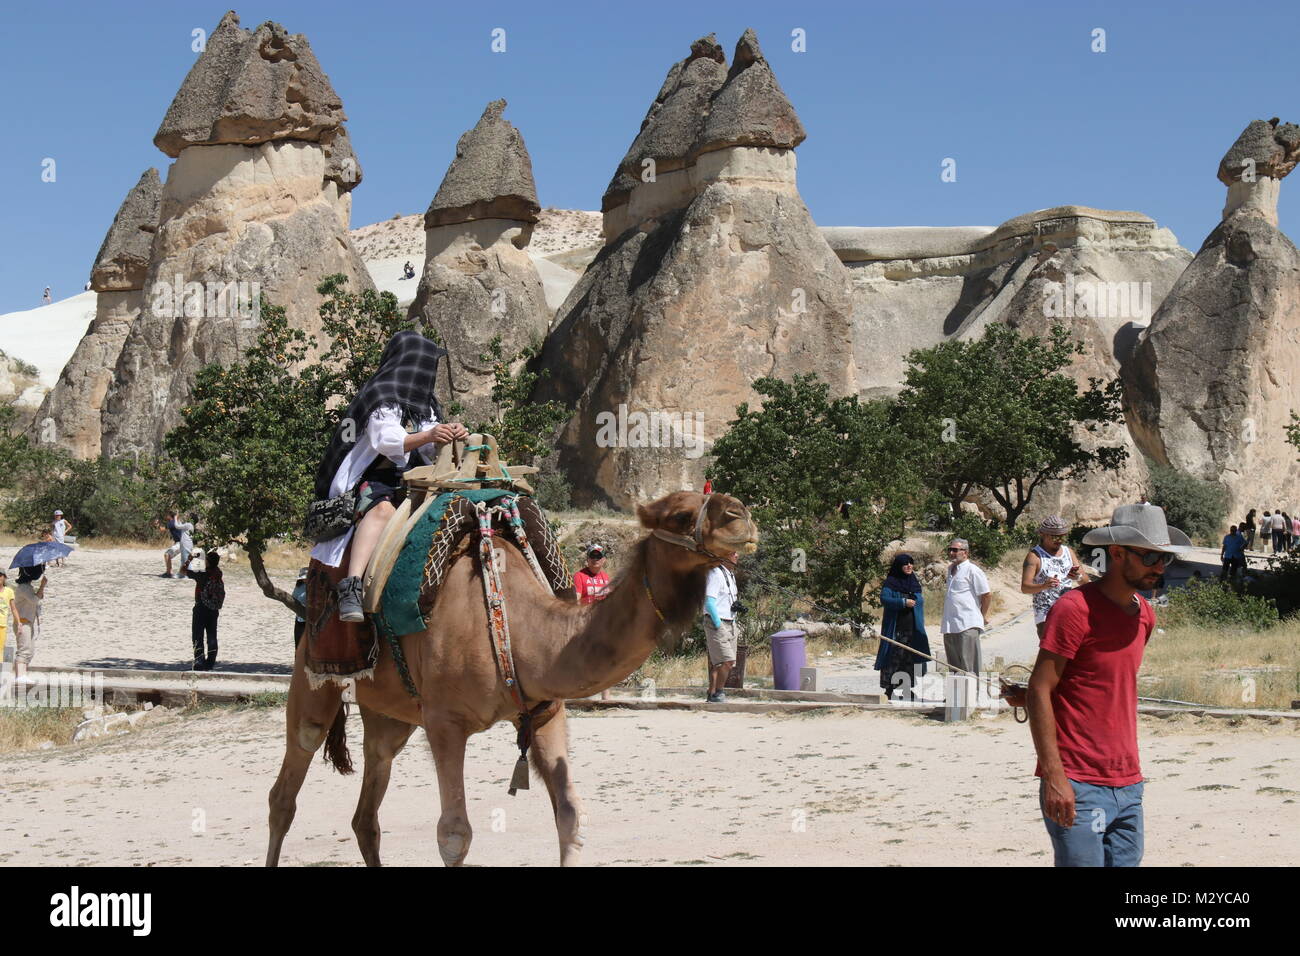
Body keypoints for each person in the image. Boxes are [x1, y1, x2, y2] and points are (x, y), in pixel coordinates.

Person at [1027, 502, 1189, 867]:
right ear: (1117, 553)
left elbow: (1099, 685)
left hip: (1130, 783)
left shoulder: (1145, 615)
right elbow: (1041, 688)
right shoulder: (1074, 609)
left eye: (1165, 559)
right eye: (1150, 557)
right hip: (1078, 782)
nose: (1159, 568)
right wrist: (1054, 776)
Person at [311, 331, 467, 622]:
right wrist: (429, 434)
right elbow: (388, 441)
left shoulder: (425, 404)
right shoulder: (379, 397)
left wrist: (450, 435)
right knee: (382, 510)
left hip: (414, 479)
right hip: (372, 480)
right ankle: (352, 586)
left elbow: (430, 446)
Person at [941, 537, 990, 718]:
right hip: (950, 622)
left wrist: (982, 616)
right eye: (950, 549)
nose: (952, 553)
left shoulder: (972, 570)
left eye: (956, 550)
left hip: (968, 621)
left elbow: (986, 594)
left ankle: (972, 698)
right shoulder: (950, 570)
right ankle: (956, 697)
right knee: (954, 663)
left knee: (969, 662)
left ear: (965, 552)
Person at [875, 553, 930, 702]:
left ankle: (907, 689)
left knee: (909, 659)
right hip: (895, 628)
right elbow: (884, 599)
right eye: (905, 564)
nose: (909, 566)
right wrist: (902, 602)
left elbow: (919, 601)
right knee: (893, 658)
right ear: (899, 566)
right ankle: (889, 689)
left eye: (911, 563)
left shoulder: (914, 583)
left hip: (912, 628)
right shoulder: (891, 582)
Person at [1020, 515, 1081, 638]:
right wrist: (1044, 585)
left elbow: (1084, 580)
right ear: (1043, 535)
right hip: (1045, 615)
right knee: (1050, 655)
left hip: (1068, 611)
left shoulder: (1068, 552)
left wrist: (1076, 577)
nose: (1059, 540)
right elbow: (1025, 587)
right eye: (1055, 536)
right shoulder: (1034, 556)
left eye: (1062, 536)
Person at [574, 545, 613, 697]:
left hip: (601, 623)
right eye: (592, 556)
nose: (595, 560)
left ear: (603, 559)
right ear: (587, 559)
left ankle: (606, 697)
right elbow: (577, 599)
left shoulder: (605, 577)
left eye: (598, 556)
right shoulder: (580, 576)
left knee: (604, 657)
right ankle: (583, 693)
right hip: (585, 622)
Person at [702, 553, 740, 703]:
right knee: (727, 660)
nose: (737, 555)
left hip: (731, 622)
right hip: (717, 622)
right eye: (732, 553)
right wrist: (718, 624)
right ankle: (719, 692)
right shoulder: (715, 574)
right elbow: (709, 602)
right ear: (723, 555)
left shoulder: (730, 575)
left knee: (723, 662)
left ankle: (712, 694)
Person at [183, 550, 225, 670]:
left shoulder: (202, 574)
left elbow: (183, 570)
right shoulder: (218, 573)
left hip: (201, 607)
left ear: (208, 562)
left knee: (197, 635)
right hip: (213, 608)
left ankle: (199, 661)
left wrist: (189, 559)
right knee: (212, 635)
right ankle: (210, 662)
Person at [12, 562, 46, 684]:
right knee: (24, 649)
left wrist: (41, 591)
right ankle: (19, 676)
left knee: (30, 650)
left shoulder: (27, 587)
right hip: (22, 623)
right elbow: (34, 600)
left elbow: (36, 601)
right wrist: (42, 586)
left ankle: (23, 675)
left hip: (28, 622)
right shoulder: (23, 588)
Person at [0, 571, 18, 687]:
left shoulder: (9, 591)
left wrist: (19, 622)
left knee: (1, 649)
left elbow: (13, 608)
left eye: (0, 576)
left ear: (4, 577)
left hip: (2, 624)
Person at [292, 567, 309, 649]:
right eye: (303, 578)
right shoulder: (299, 586)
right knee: (298, 641)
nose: (304, 580)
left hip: (310, 618)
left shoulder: (313, 587)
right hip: (299, 617)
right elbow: (293, 598)